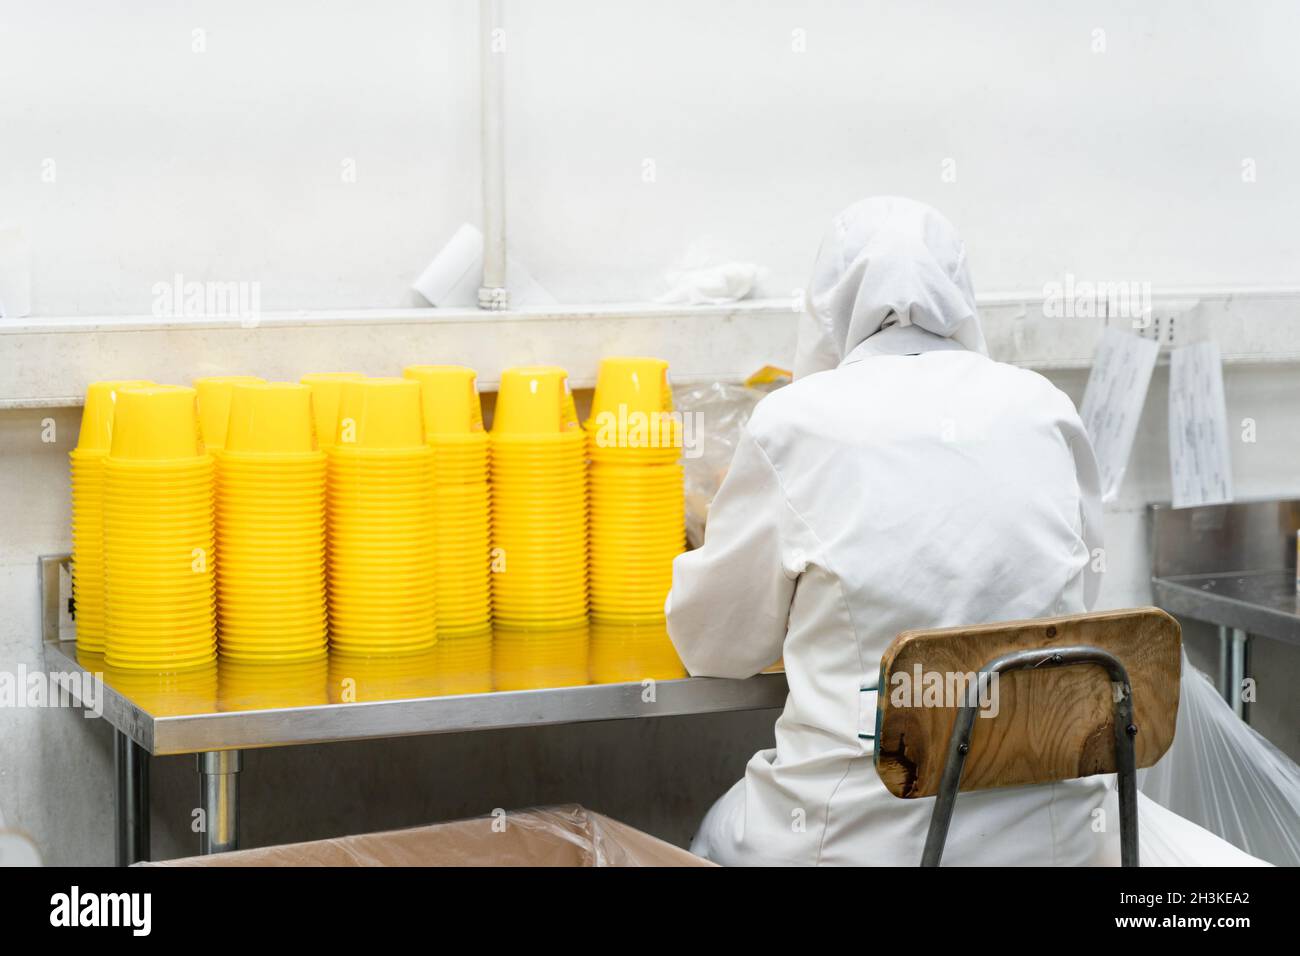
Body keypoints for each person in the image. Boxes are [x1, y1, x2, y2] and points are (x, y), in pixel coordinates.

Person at [666, 196, 1264, 866]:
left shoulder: (795, 423)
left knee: (709, 830)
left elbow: (713, 646)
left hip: (855, 842)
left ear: (829, 304)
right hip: (1058, 843)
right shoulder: (1042, 408)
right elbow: (1073, 604)